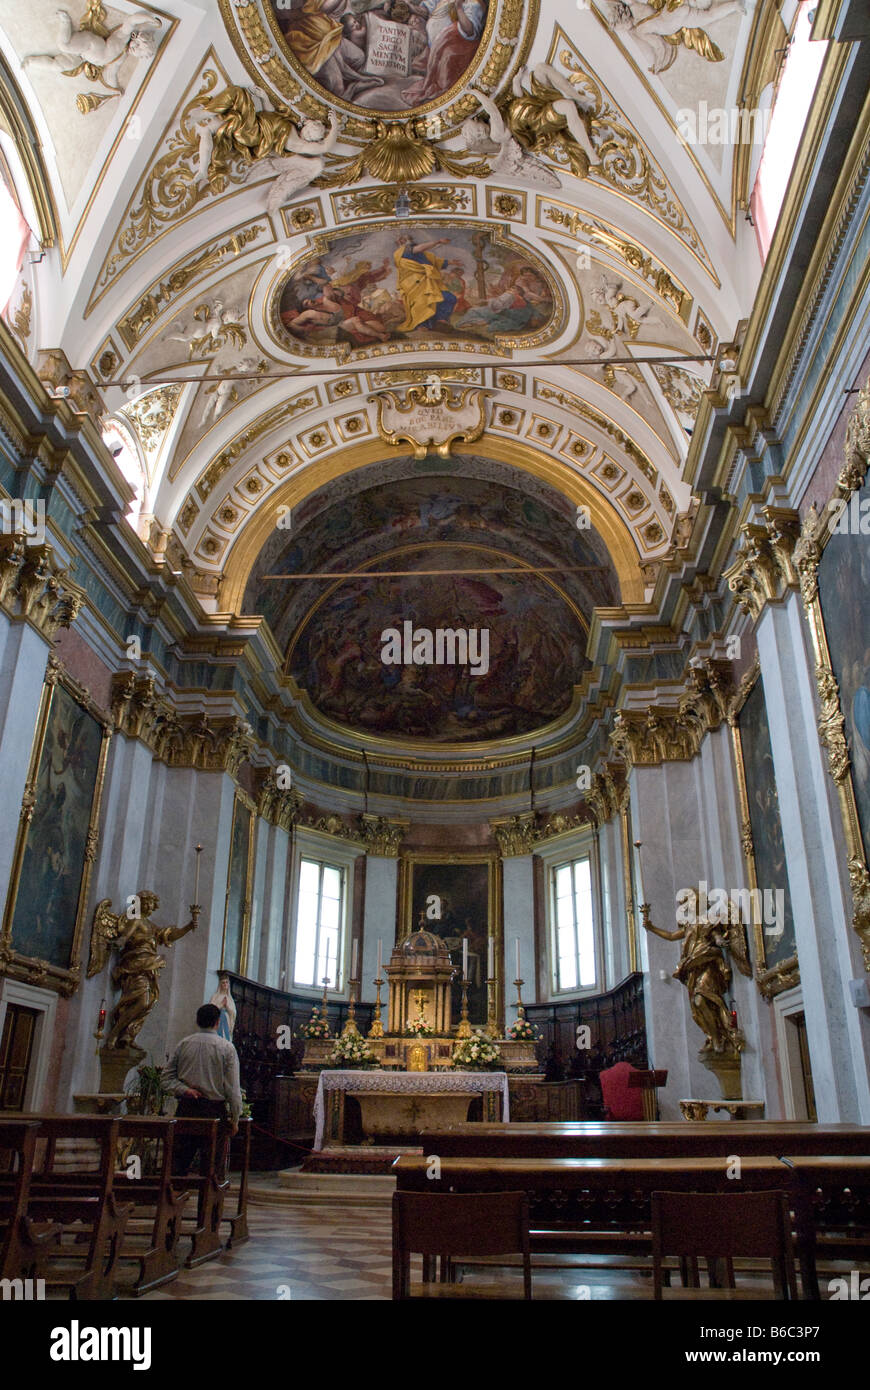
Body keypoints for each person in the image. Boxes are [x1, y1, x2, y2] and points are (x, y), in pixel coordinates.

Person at [162, 1004, 243, 1173]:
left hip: (187, 1108)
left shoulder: (183, 1044)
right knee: (212, 1168)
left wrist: (184, 1090)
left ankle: (173, 1195)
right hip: (213, 1110)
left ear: (197, 1021)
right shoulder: (227, 1048)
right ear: (218, 1022)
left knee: (178, 1164)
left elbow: (166, 1078)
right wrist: (235, 1118)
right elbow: (233, 1089)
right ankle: (209, 1198)